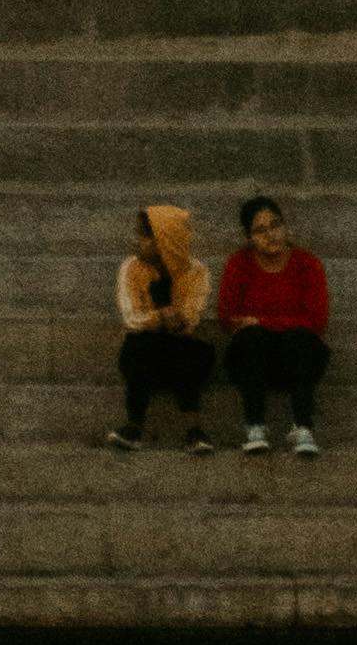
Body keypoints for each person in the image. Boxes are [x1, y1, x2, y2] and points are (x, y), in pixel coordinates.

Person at [214, 191, 331, 456]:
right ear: (249, 238)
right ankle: (255, 427)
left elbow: (316, 320)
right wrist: (261, 327)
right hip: (253, 360)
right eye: (260, 230)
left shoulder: (307, 263)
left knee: (298, 338)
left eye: (276, 225)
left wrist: (262, 320)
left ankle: (303, 427)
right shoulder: (239, 264)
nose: (271, 235)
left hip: (297, 358)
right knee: (253, 338)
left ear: (285, 226)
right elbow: (226, 317)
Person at [105, 202, 215, 449]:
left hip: (180, 351)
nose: (137, 241)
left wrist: (173, 319)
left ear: (163, 241)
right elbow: (132, 318)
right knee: (140, 343)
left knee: (185, 349)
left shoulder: (197, 272)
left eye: (144, 235)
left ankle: (195, 430)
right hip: (145, 354)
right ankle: (134, 426)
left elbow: (190, 319)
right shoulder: (131, 268)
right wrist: (162, 316)